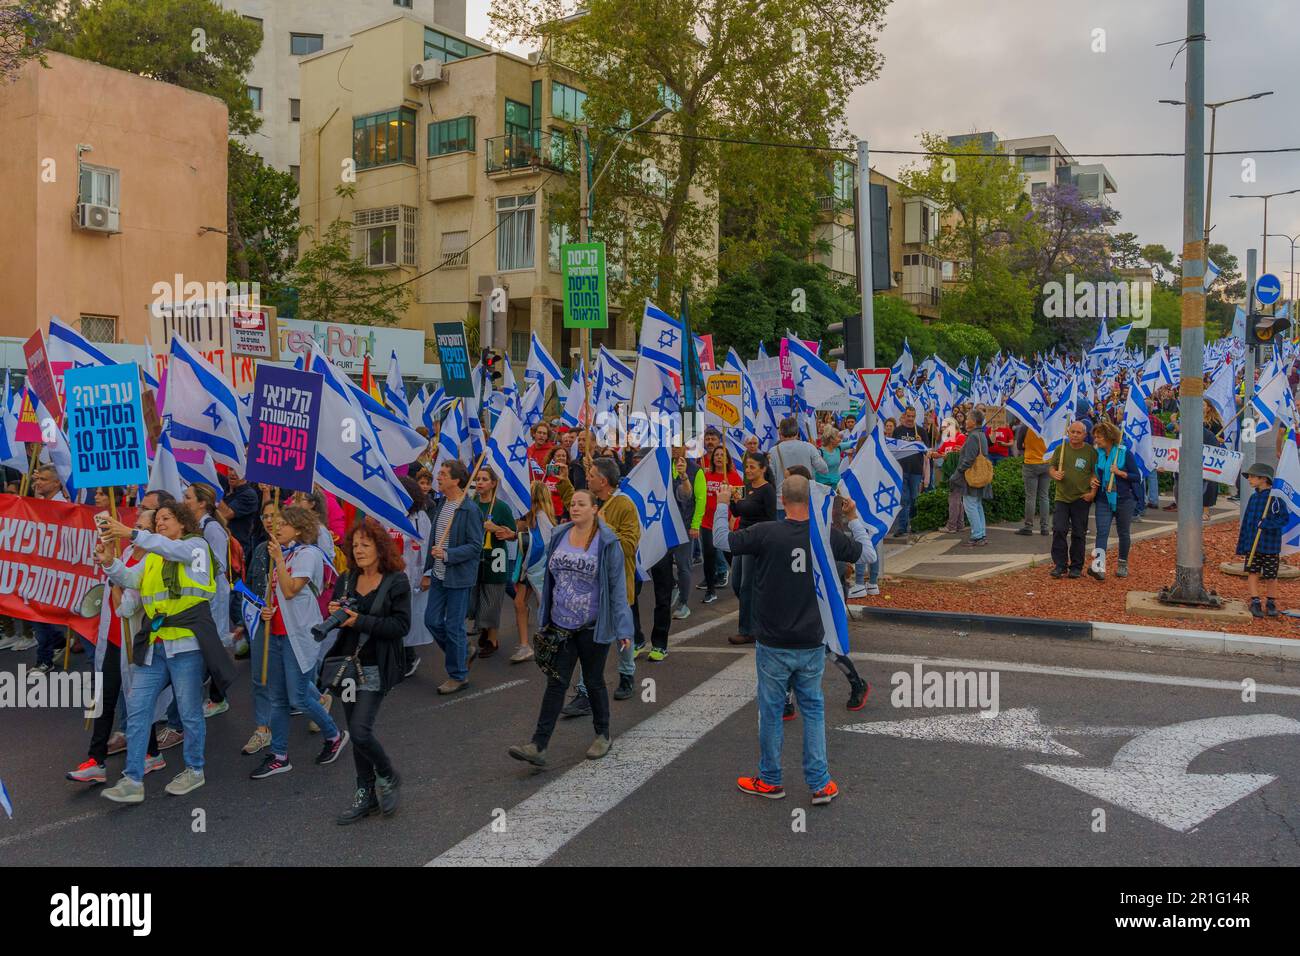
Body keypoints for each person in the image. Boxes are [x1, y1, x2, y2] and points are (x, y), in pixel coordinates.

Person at [729, 476, 864, 805]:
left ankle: (771, 779)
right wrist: (854, 517)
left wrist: (721, 507)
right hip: (811, 639)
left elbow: (724, 540)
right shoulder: (824, 536)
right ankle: (820, 783)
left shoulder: (764, 533)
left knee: (771, 711)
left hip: (773, 640)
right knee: (814, 711)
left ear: (780, 500)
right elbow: (865, 554)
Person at [96, 502, 223, 803]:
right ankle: (133, 779)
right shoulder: (154, 554)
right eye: (158, 519)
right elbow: (130, 581)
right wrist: (110, 563)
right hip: (155, 644)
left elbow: (173, 551)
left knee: (190, 712)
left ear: (183, 523)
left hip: (186, 645)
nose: (160, 522)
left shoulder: (196, 546)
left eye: (166, 518)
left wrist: (130, 532)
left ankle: (194, 769)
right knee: (138, 710)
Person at [507, 489, 634, 767]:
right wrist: (545, 618)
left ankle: (603, 734)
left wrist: (624, 631)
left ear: (594, 509)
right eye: (572, 503)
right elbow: (549, 578)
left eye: (581, 504)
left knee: (593, 681)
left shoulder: (607, 542)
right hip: (560, 626)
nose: (574, 508)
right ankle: (538, 745)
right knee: (556, 683)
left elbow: (617, 588)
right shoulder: (559, 534)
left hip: (591, 626)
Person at [66, 507, 166, 785]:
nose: (137, 531)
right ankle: (95, 761)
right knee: (104, 700)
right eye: (137, 526)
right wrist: (110, 560)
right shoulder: (126, 553)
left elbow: (128, 601)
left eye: (144, 529)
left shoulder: (155, 559)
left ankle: (152, 753)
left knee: (138, 699)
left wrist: (114, 580)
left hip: (133, 639)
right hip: (112, 638)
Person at [251, 504, 347, 779]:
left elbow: (292, 590)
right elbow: (277, 596)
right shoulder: (284, 554)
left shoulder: (308, 554)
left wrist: (279, 560)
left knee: (299, 696)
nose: (276, 528)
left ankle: (334, 735)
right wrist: (267, 610)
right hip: (278, 633)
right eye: (275, 523)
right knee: (278, 698)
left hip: (299, 635)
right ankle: (279, 755)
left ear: (300, 528)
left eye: (283, 524)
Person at [327, 517, 412, 823]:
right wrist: (335, 613)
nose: (359, 549)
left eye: (366, 544)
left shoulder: (396, 581)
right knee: (355, 730)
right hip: (348, 666)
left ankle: (388, 774)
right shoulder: (347, 578)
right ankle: (365, 793)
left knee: (361, 731)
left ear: (380, 547)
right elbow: (340, 614)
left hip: (377, 665)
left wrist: (357, 620)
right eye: (355, 544)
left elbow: (401, 626)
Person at [561, 457, 639, 717]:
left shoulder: (624, 506)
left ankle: (627, 674)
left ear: (603, 481)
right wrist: (563, 484)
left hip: (615, 584)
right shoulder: (591, 503)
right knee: (590, 639)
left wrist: (602, 526)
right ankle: (584, 692)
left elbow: (629, 545)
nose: (588, 478)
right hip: (590, 586)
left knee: (622, 635)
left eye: (592, 475)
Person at [423, 460, 485, 695]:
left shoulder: (469, 509)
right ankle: (463, 652)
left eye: (443, 474)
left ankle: (458, 675)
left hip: (458, 576)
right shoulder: (442, 504)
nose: (438, 477)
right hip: (439, 574)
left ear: (456, 480)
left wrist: (448, 554)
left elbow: (475, 546)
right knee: (431, 621)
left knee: (454, 626)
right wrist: (429, 569)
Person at [183, 483, 233, 718]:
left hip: (213, 594)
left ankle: (218, 697)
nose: (184, 501)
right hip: (201, 594)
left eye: (188, 497)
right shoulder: (196, 527)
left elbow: (219, 565)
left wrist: (193, 569)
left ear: (202, 503)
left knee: (214, 646)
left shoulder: (212, 529)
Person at [728, 452, 777, 646]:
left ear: (763, 469)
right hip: (742, 537)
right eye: (746, 467)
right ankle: (757, 616)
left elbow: (772, 518)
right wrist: (731, 499)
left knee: (747, 584)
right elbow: (738, 511)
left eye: (752, 467)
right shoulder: (746, 486)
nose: (748, 470)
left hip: (757, 540)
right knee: (737, 583)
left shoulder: (768, 491)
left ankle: (747, 630)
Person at [470, 467, 517, 658]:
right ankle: (483, 628)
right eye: (478, 479)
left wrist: (496, 528)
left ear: (493, 483)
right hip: (475, 557)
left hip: (495, 558)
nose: (480, 482)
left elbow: (512, 535)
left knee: (492, 597)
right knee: (476, 595)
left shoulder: (501, 508)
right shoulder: (472, 504)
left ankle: (493, 639)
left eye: (484, 479)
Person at [509, 480, 556, 664]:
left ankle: (549, 641)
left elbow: (540, 544)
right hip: (529, 567)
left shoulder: (542, 517)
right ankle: (524, 645)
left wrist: (516, 534)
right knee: (519, 602)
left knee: (542, 605)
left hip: (537, 567)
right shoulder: (531, 516)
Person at [1090, 420, 1142, 581]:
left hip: (1124, 499)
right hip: (1103, 498)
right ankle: (1099, 567)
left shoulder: (1124, 453)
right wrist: (1092, 480)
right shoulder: (1097, 455)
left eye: (1099, 437)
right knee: (1102, 532)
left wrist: (1120, 473)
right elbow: (1094, 473)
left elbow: (1136, 477)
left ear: (1109, 437)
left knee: (1123, 532)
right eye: (1095, 437)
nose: (1096, 440)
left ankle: (1122, 564)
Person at [1048, 422, 1099, 579]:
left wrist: (1092, 493)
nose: (1075, 435)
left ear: (1084, 435)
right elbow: (1052, 467)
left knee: (1079, 533)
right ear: (1068, 433)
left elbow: (1095, 474)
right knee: (1059, 529)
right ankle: (1060, 565)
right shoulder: (1061, 449)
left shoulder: (1090, 452)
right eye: (1073, 432)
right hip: (1062, 497)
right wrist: (1054, 473)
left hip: (1081, 498)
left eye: (1079, 432)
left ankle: (1076, 567)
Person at [1236, 463, 1287, 618]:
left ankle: (1271, 602)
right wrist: (1243, 543)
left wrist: (1267, 524)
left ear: (1264, 479)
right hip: (1253, 544)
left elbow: (1284, 519)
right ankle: (1255, 601)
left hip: (1270, 544)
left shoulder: (1276, 499)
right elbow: (1247, 522)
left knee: (1271, 575)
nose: (1249, 479)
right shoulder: (1253, 498)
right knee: (1253, 572)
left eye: (1252, 476)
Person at [396, 476, 433, 677]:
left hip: (412, 575)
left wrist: (427, 574)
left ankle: (408, 658)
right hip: (391, 575)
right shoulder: (389, 513)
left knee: (407, 617)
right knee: (393, 617)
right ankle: (397, 658)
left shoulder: (420, 518)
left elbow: (428, 547)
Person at [699, 445, 742, 605]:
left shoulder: (734, 477)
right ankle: (711, 590)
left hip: (726, 524)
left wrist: (733, 521)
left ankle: (740, 583)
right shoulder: (705, 475)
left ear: (727, 459)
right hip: (708, 523)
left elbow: (740, 502)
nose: (718, 457)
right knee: (709, 557)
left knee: (730, 556)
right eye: (716, 455)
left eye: (722, 455)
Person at [768, 418, 827, 517]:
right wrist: (816, 450)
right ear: (797, 432)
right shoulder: (809, 447)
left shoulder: (773, 451)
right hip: (805, 498)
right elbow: (823, 469)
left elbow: (771, 478)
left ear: (780, 432)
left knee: (782, 531)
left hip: (782, 499)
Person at [951, 409, 991, 548]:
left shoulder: (974, 436)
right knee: (977, 505)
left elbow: (969, 459)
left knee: (971, 505)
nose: (966, 420)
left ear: (973, 422)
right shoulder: (981, 434)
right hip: (980, 475)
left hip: (972, 476)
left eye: (968, 418)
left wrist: (957, 473)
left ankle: (977, 536)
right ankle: (981, 534)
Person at [891, 408, 925, 537]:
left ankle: (915, 524)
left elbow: (927, 450)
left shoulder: (920, 431)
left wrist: (920, 442)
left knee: (915, 498)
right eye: (908, 416)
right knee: (904, 499)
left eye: (913, 416)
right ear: (904, 416)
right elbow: (893, 448)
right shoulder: (898, 431)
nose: (910, 419)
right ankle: (902, 527)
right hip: (901, 470)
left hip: (916, 470)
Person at [1015, 418, 1051, 537]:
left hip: (1030, 463)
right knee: (1044, 496)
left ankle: (1028, 526)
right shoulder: (1048, 426)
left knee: (1030, 497)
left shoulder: (1026, 427)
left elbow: (1019, 445)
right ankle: (1045, 527)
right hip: (1046, 462)